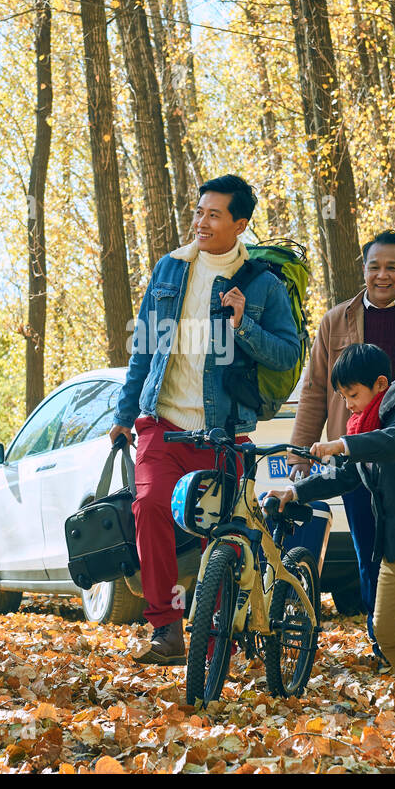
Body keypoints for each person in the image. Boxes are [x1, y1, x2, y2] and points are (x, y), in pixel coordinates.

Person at [109, 174, 300, 665]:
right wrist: (125, 414)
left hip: (224, 430)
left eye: (214, 215)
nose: (201, 222)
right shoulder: (170, 271)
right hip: (164, 420)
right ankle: (167, 628)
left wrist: (245, 325)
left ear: (240, 224)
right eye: (199, 213)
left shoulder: (263, 283)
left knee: (219, 529)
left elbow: (286, 353)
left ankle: (217, 627)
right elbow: (145, 347)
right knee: (149, 507)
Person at [288, 231, 395, 663]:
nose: (383, 275)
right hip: (355, 461)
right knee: (369, 553)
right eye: (374, 266)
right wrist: (300, 455)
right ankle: (380, 642)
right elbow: (312, 391)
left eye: (392, 267)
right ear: (363, 270)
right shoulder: (335, 321)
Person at [270, 344, 395, 686]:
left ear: (381, 385)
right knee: (384, 628)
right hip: (393, 544)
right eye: (342, 397)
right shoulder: (362, 427)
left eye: (353, 394)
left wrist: (342, 445)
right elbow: (345, 475)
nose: (348, 405)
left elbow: (393, 442)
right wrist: (296, 491)